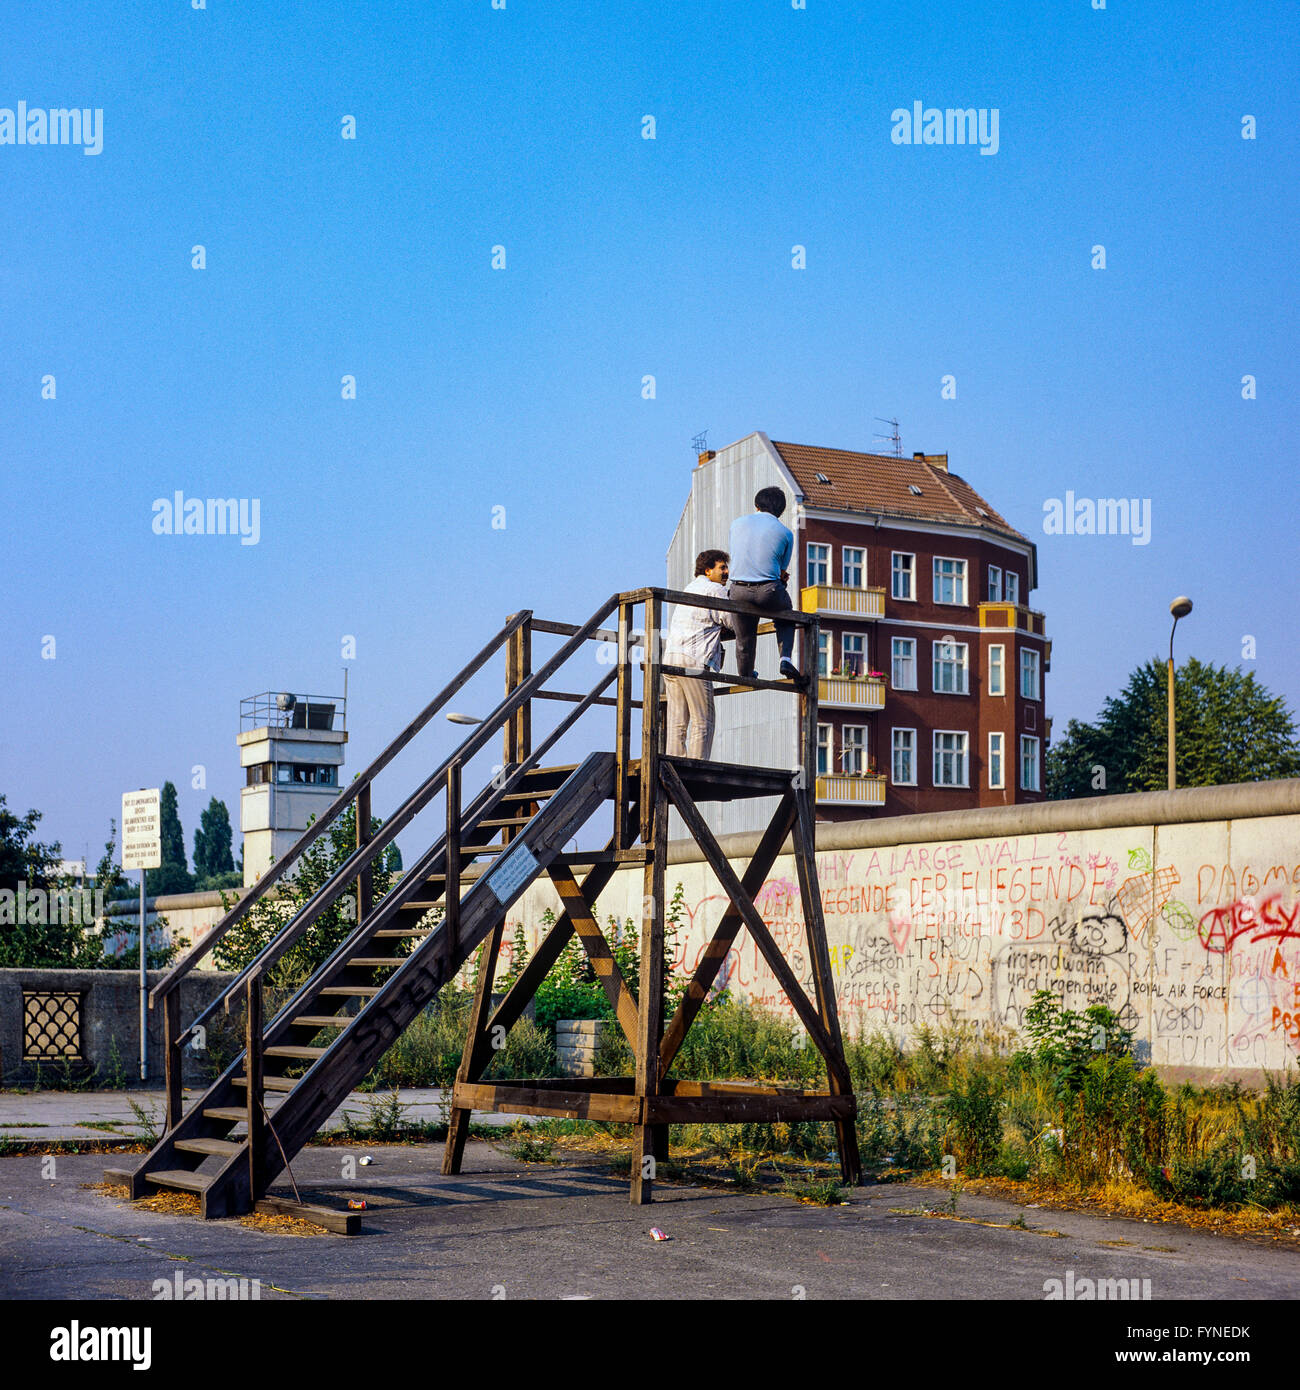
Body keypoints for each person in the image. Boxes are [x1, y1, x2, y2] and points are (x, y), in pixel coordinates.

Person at [663, 549, 731, 760]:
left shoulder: (689, 588)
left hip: (671, 656)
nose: (727, 572)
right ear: (708, 570)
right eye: (722, 567)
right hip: (694, 658)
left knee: (677, 720)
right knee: (703, 718)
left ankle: (674, 764)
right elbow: (730, 621)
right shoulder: (715, 589)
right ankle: (698, 764)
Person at [728, 487, 800, 683]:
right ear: (781, 510)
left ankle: (745, 673)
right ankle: (785, 659)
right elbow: (781, 572)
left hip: (738, 590)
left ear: (756, 505)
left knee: (744, 637)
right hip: (768, 591)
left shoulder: (736, 524)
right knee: (786, 615)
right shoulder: (785, 533)